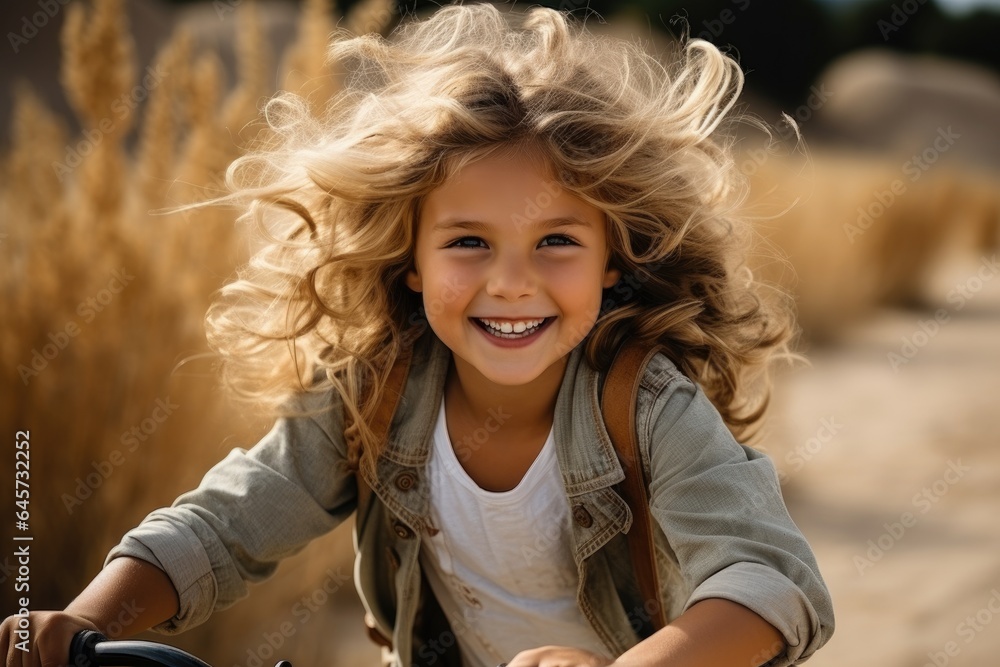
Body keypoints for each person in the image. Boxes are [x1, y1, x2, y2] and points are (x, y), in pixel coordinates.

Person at [1, 4, 834, 667]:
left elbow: (771, 580)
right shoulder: (373, 394)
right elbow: (225, 524)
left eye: (556, 240)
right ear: (410, 261)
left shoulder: (647, 406)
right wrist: (84, 618)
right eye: (468, 242)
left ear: (613, 260)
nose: (511, 282)